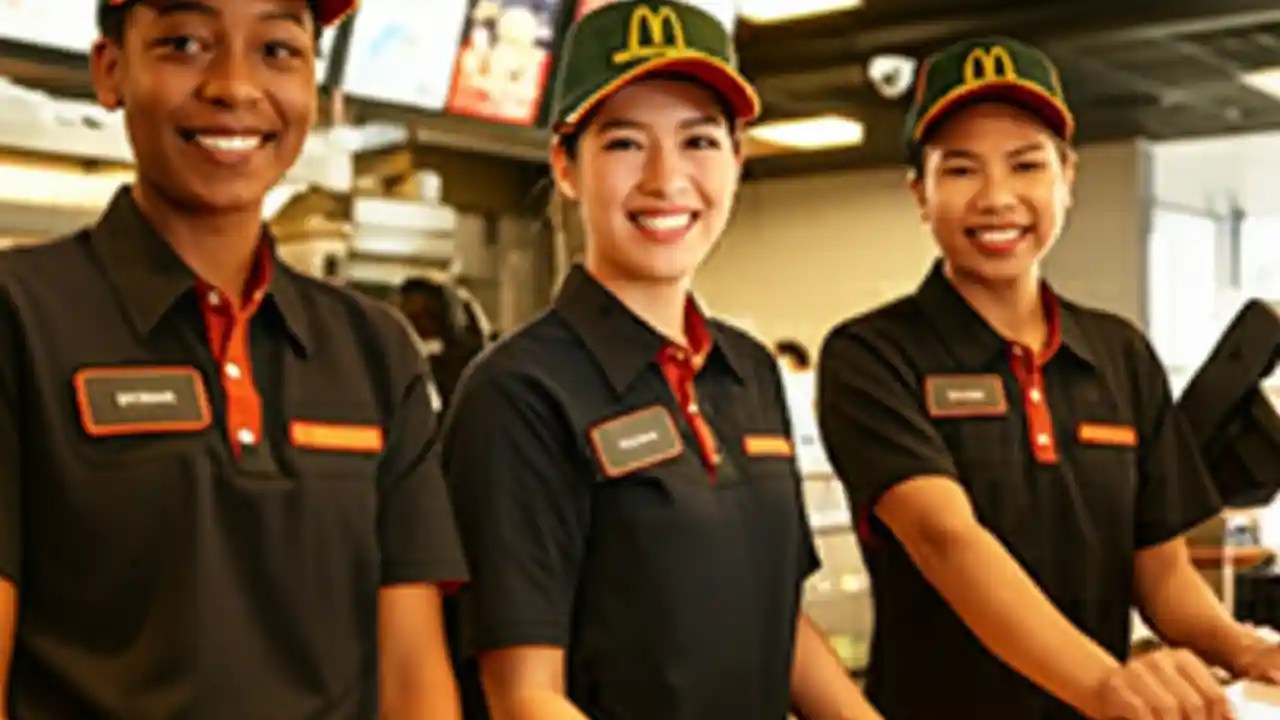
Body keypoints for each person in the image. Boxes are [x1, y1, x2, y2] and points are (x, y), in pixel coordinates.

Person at [0, 1, 468, 717]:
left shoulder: (376, 351)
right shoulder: (19, 319)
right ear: (110, 69)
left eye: (277, 49)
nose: (234, 86)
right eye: (185, 43)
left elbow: (413, 683)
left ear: (316, 79)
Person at [439, 2, 882, 718]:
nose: (665, 179)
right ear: (566, 166)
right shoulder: (517, 394)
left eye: (699, 142)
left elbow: (779, 626)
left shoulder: (749, 371)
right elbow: (524, 696)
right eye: (624, 144)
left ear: (738, 160)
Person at [817, 36, 1280, 720]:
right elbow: (948, 539)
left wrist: (1248, 651)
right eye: (961, 170)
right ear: (920, 192)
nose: (997, 198)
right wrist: (1108, 685)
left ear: (1068, 176)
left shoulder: (1121, 354)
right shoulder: (872, 356)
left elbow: (1163, 576)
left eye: (1026, 164)